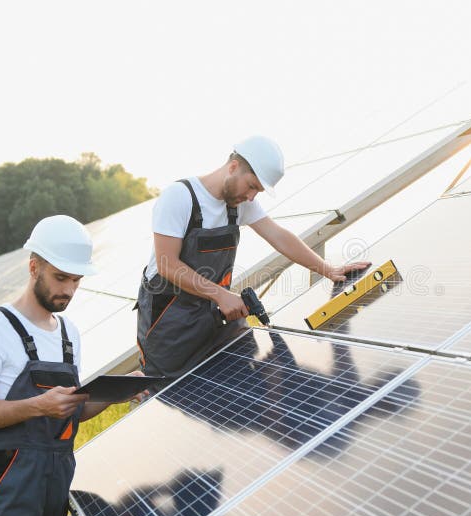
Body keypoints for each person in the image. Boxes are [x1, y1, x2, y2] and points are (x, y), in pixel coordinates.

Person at [0, 215, 147, 516]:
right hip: (9, 482)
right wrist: (38, 406)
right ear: (34, 267)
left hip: (57, 479)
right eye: (61, 278)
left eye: (76, 280)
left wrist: (115, 393)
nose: (70, 290)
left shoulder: (69, 334)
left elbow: (69, 413)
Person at [136, 135, 370, 384]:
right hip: (169, 320)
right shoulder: (180, 197)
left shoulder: (239, 203)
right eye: (252, 186)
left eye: (257, 191)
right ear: (234, 167)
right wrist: (220, 295)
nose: (251, 197)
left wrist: (328, 270)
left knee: (237, 384)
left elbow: (279, 236)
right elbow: (167, 264)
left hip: (212, 314)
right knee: (165, 391)